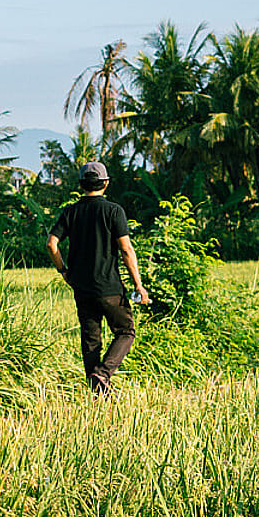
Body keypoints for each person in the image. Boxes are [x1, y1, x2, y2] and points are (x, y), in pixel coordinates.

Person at [46, 162, 150, 395]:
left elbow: (51, 244)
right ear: (106, 183)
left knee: (91, 341)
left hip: (82, 288)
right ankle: (102, 374)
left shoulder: (70, 211)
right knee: (125, 331)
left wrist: (64, 270)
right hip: (110, 287)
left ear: (82, 184)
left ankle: (97, 393)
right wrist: (138, 285)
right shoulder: (114, 211)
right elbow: (126, 250)